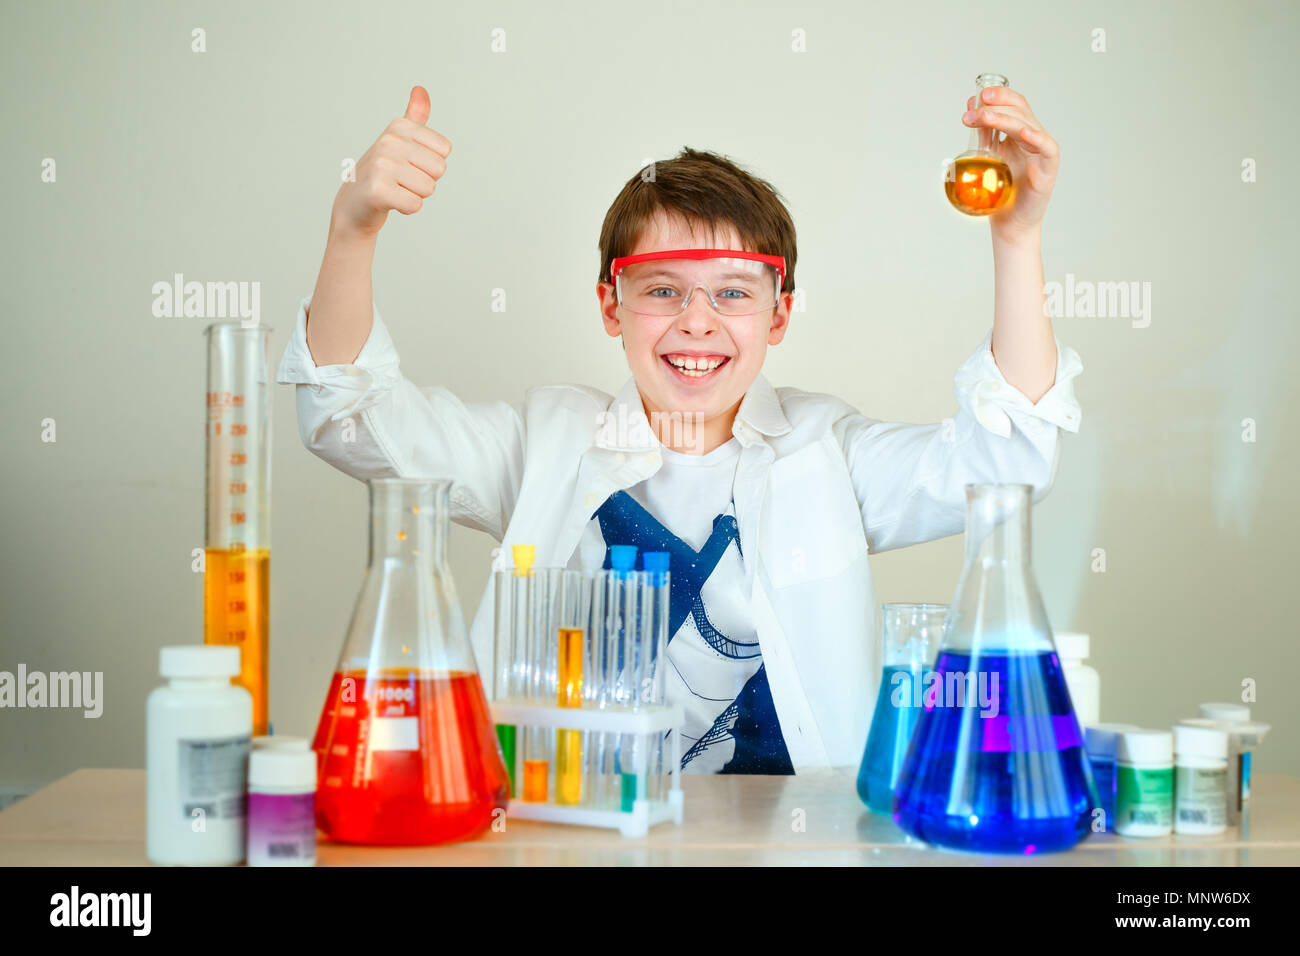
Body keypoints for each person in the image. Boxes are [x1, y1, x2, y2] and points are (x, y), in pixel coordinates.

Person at [277, 84, 1082, 773]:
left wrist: (1016, 239)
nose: (697, 322)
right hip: (564, 838)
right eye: (661, 289)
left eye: (734, 293)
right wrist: (355, 228)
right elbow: (350, 421)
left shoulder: (824, 452)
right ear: (609, 306)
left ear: (780, 316)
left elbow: (1006, 459)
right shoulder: (547, 443)